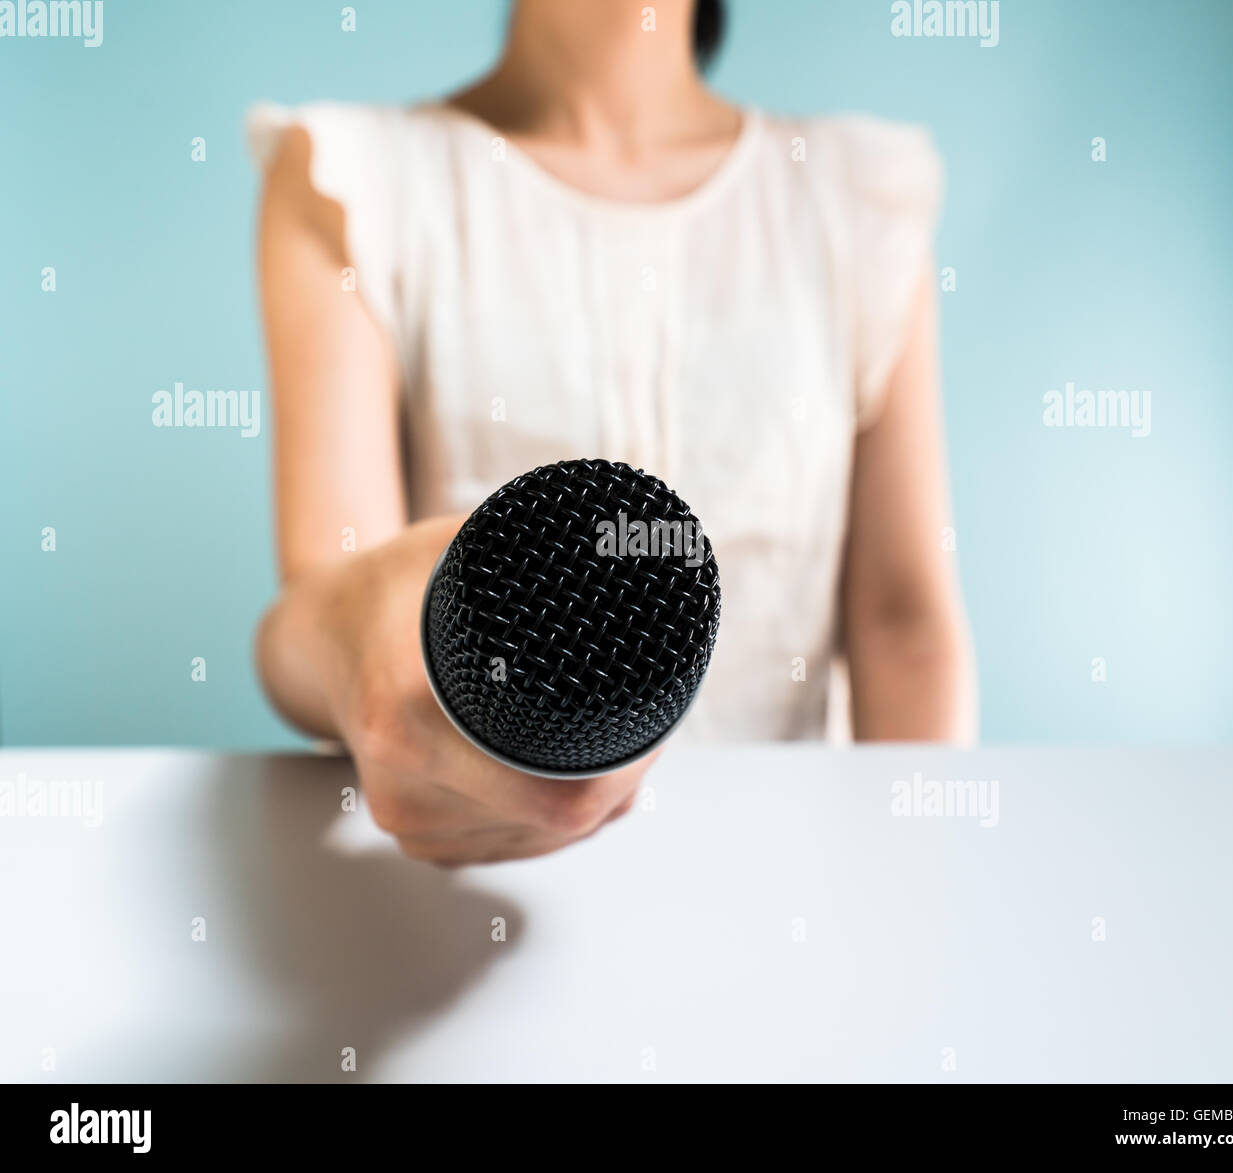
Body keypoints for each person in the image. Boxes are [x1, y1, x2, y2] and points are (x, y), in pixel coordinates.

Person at [249, 0, 976, 866]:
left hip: (788, 882)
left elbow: (905, 625)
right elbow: (317, 610)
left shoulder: (852, 196)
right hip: (474, 897)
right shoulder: (352, 179)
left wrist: (919, 883)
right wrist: (352, 640)